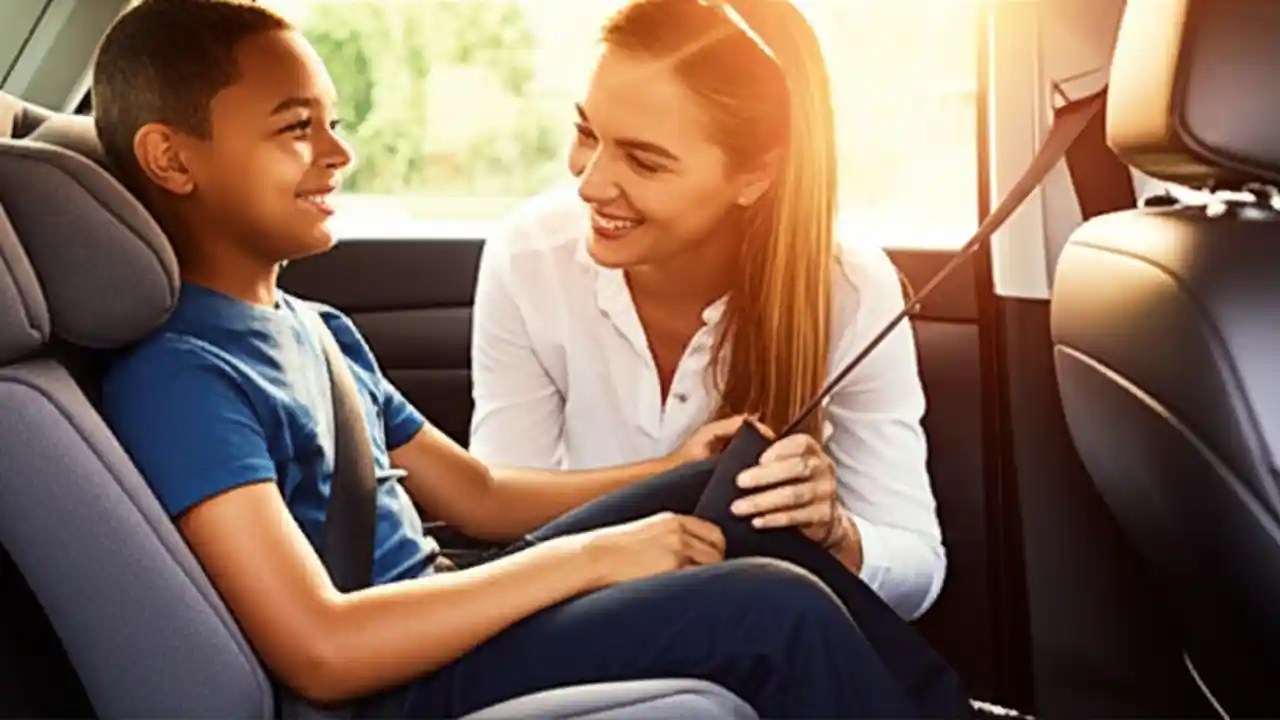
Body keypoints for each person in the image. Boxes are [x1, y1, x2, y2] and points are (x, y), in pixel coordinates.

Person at [95, 1, 935, 717]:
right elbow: (320, 647)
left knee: (734, 498)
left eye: (334, 124)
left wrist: (676, 465)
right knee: (771, 607)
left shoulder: (313, 329)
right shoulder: (182, 376)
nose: (339, 154)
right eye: (295, 129)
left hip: (438, 606)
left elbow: (481, 495)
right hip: (390, 680)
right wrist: (593, 557)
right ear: (173, 159)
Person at [470, 0, 946, 620]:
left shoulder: (850, 292)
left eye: (643, 160)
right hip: (577, 626)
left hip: (750, 637)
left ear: (754, 176)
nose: (587, 182)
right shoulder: (530, 258)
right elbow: (504, 517)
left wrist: (837, 535)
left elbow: (917, 575)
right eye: (587, 133)